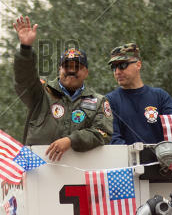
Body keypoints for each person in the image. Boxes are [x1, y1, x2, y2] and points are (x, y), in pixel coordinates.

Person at [12, 17, 113, 162]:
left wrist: (71, 140)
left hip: (80, 172)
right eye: (67, 66)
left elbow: (103, 133)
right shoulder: (41, 92)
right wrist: (25, 49)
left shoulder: (99, 102)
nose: (71, 71)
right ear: (59, 69)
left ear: (86, 72)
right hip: (38, 169)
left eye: (77, 67)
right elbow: (24, 78)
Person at [103, 43, 172, 145]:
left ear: (138, 65)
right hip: (127, 160)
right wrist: (138, 156)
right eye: (114, 68)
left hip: (160, 160)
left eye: (122, 65)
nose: (117, 72)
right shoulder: (108, 101)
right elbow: (113, 139)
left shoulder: (159, 96)